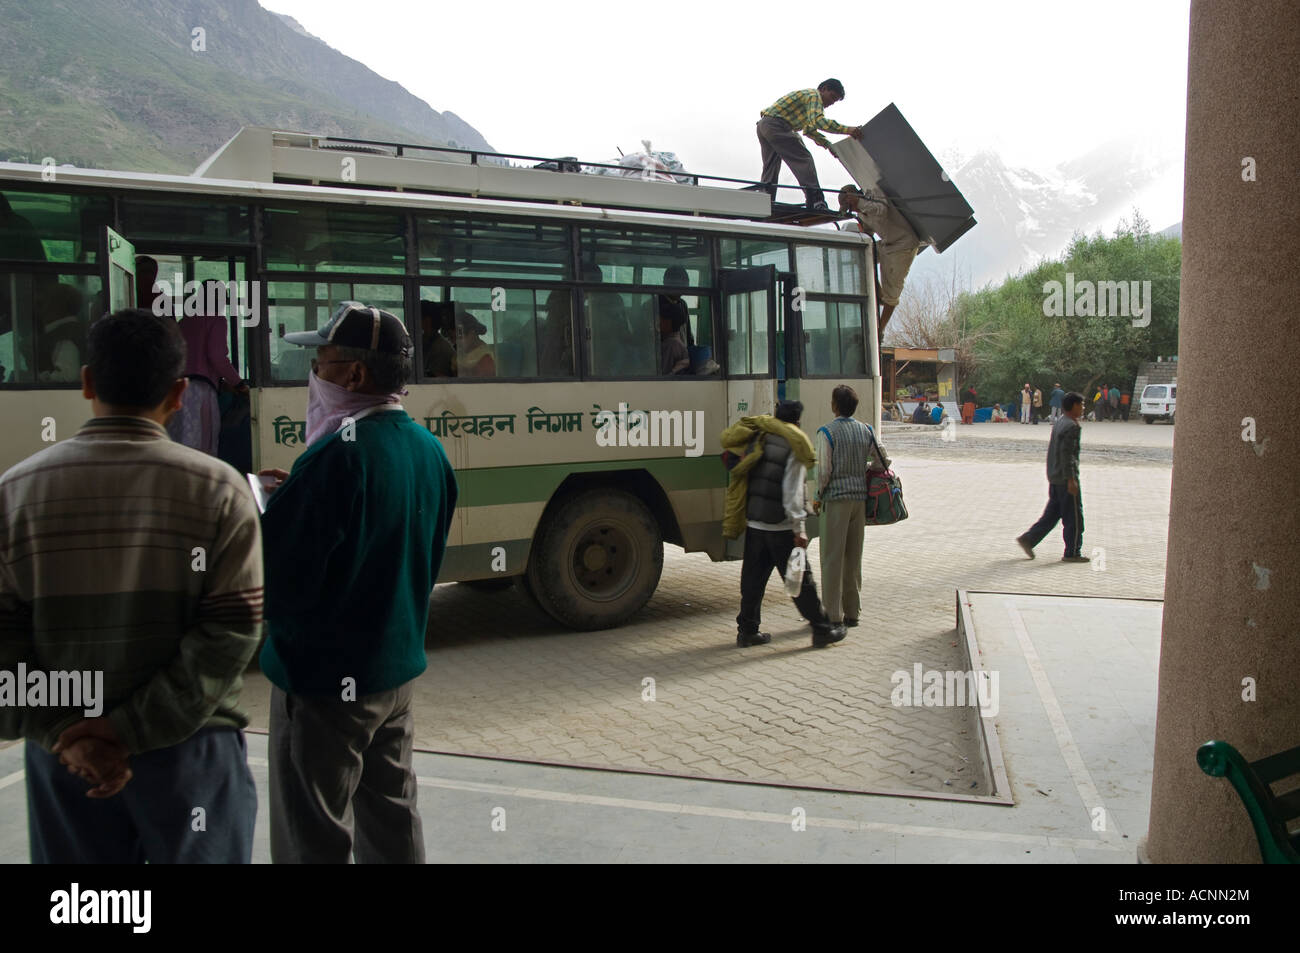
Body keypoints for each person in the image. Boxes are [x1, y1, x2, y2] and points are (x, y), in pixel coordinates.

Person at [0, 308, 263, 862]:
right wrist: (131, 729)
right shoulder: (219, 491)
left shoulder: (16, 492)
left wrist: (71, 733)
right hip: (191, 750)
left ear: (87, 382)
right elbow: (232, 631)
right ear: (178, 393)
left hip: (64, 760)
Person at [258, 301, 457, 864]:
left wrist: (268, 516)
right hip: (393, 680)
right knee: (392, 822)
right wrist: (296, 496)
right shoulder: (429, 450)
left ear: (354, 373)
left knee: (312, 837)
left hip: (324, 687)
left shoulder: (334, 461)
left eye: (319, 362)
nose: (313, 376)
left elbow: (280, 586)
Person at [720, 400, 845, 648]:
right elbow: (792, 492)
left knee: (753, 580)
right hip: (780, 526)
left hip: (755, 521)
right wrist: (799, 529)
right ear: (797, 422)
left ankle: (747, 631)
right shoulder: (794, 445)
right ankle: (821, 630)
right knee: (802, 580)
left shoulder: (760, 437)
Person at [812, 385, 883, 630]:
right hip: (859, 501)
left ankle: (832, 614)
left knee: (832, 557)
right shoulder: (867, 430)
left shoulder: (826, 432)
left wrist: (818, 497)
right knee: (854, 557)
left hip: (835, 501)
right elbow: (882, 459)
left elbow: (823, 472)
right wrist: (865, 471)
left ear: (834, 406)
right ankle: (853, 611)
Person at [166, 280, 247, 456]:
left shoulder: (185, 321)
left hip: (178, 390)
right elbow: (217, 357)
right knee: (203, 445)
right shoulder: (216, 320)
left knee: (180, 442)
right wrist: (239, 383)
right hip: (200, 391)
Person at [755, 80, 863, 210]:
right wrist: (848, 130)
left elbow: (809, 130)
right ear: (824, 89)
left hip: (764, 125)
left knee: (771, 165)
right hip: (777, 125)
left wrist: (829, 145)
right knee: (804, 159)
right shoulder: (814, 96)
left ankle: (764, 199)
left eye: (834, 102)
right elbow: (819, 121)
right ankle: (816, 200)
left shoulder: (808, 102)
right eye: (832, 97)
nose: (830, 103)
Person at [838, 185, 921, 339]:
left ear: (852, 198)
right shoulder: (862, 213)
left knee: (893, 293)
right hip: (886, 245)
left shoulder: (874, 196)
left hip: (902, 245)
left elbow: (882, 211)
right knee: (859, 256)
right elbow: (869, 232)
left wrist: (860, 203)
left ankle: (879, 330)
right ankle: (877, 293)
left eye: (850, 207)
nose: (853, 211)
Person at [1016, 391, 1088, 563]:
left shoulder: (1060, 422)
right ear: (1074, 406)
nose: (1083, 408)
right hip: (1065, 479)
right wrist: (1071, 479)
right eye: (1082, 405)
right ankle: (1072, 551)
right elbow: (1067, 455)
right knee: (1074, 517)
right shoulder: (1071, 426)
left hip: (1055, 477)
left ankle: (1029, 539)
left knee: (1052, 515)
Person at [420, 299, 457, 378]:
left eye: (418, 318)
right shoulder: (424, 341)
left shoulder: (440, 348)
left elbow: (431, 379)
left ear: (427, 321)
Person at [455, 310, 496, 377]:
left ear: (472, 333)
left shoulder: (485, 359)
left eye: (459, 338)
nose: (456, 342)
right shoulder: (465, 353)